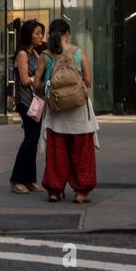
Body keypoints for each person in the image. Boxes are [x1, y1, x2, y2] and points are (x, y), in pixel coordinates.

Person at [40, 19, 98, 203]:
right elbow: (88, 81)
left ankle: (54, 190)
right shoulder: (78, 52)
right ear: (67, 34)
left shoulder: (46, 55)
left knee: (57, 152)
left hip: (56, 111)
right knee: (82, 152)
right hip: (79, 110)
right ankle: (81, 192)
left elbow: (36, 85)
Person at [10, 20, 45, 193]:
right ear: (28, 34)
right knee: (30, 139)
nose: (41, 37)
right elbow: (24, 80)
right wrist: (36, 79)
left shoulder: (35, 54)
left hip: (36, 102)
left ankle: (30, 180)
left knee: (34, 139)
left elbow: (41, 71)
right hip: (25, 102)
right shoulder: (23, 54)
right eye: (37, 33)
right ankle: (16, 179)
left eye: (42, 33)